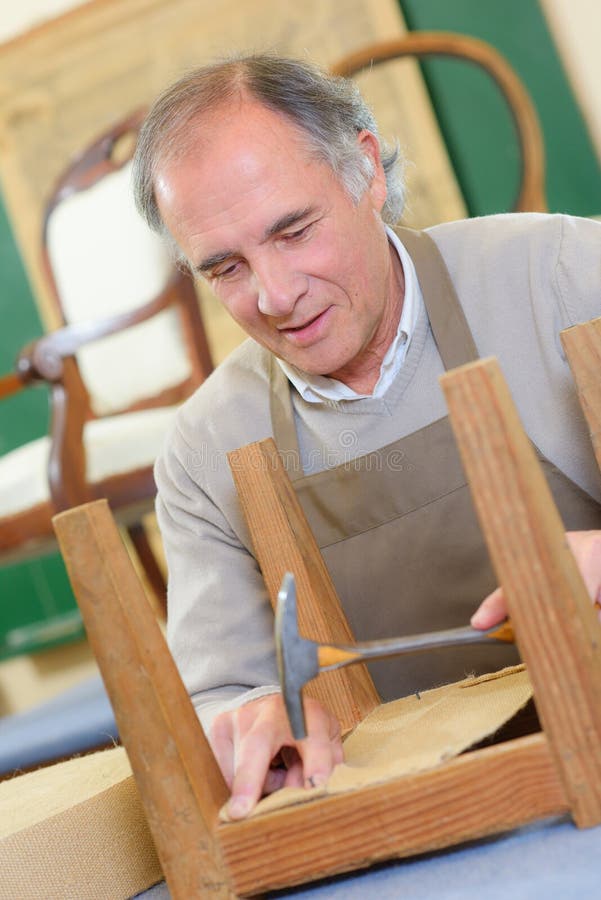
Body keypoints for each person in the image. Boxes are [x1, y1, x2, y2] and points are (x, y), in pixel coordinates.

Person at [132, 53, 601, 819]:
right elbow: (221, 697)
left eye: (294, 230)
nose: (276, 296)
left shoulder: (567, 274)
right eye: (224, 268)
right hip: (419, 817)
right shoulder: (204, 450)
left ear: (366, 169)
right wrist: (254, 723)